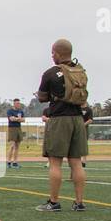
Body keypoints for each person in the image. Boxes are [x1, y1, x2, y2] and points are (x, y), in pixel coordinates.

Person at [35, 39, 89, 212]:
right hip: (78, 120)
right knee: (76, 163)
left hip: (59, 119)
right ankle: (79, 202)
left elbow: (42, 97)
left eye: (53, 53)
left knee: (55, 163)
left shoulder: (51, 73)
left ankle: (54, 202)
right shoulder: (79, 71)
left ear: (57, 53)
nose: (52, 56)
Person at [6, 98, 25, 169]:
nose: (18, 104)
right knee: (12, 146)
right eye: (17, 103)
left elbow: (23, 119)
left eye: (19, 103)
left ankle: (15, 162)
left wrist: (16, 118)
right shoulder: (10, 111)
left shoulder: (21, 111)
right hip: (12, 128)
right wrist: (18, 119)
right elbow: (11, 119)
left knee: (17, 146)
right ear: (14, 104)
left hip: (18, 129)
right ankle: (8, 162)